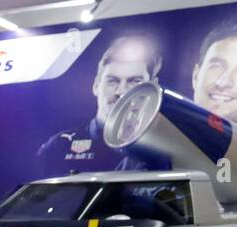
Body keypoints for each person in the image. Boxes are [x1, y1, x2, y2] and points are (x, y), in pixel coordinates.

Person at [37, 35, 165, 176]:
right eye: (112, 81)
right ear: (96, 85)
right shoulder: (59, 147)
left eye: (134, 81)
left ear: (153, 87)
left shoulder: (164, 150)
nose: (121, 91)